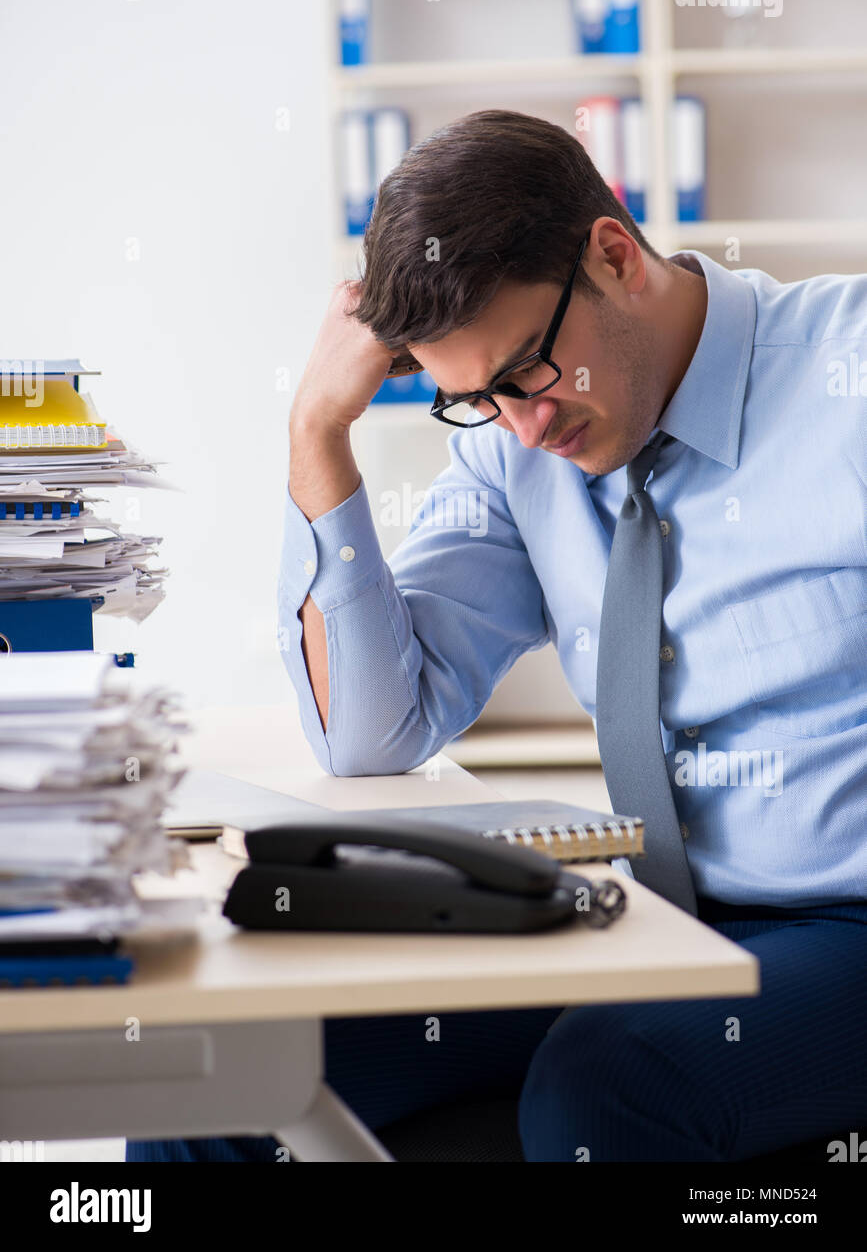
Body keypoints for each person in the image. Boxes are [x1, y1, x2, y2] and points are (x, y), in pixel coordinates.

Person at [128, 109, 867, 1163]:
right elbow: (375, 731)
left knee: (605, 1088)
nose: (523, 426)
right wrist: (315, 434)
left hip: (844, 927)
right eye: (472, 399)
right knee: (215, 1084)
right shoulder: (516, 456)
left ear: (613, 253)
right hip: (648, 921)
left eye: (525, 369)